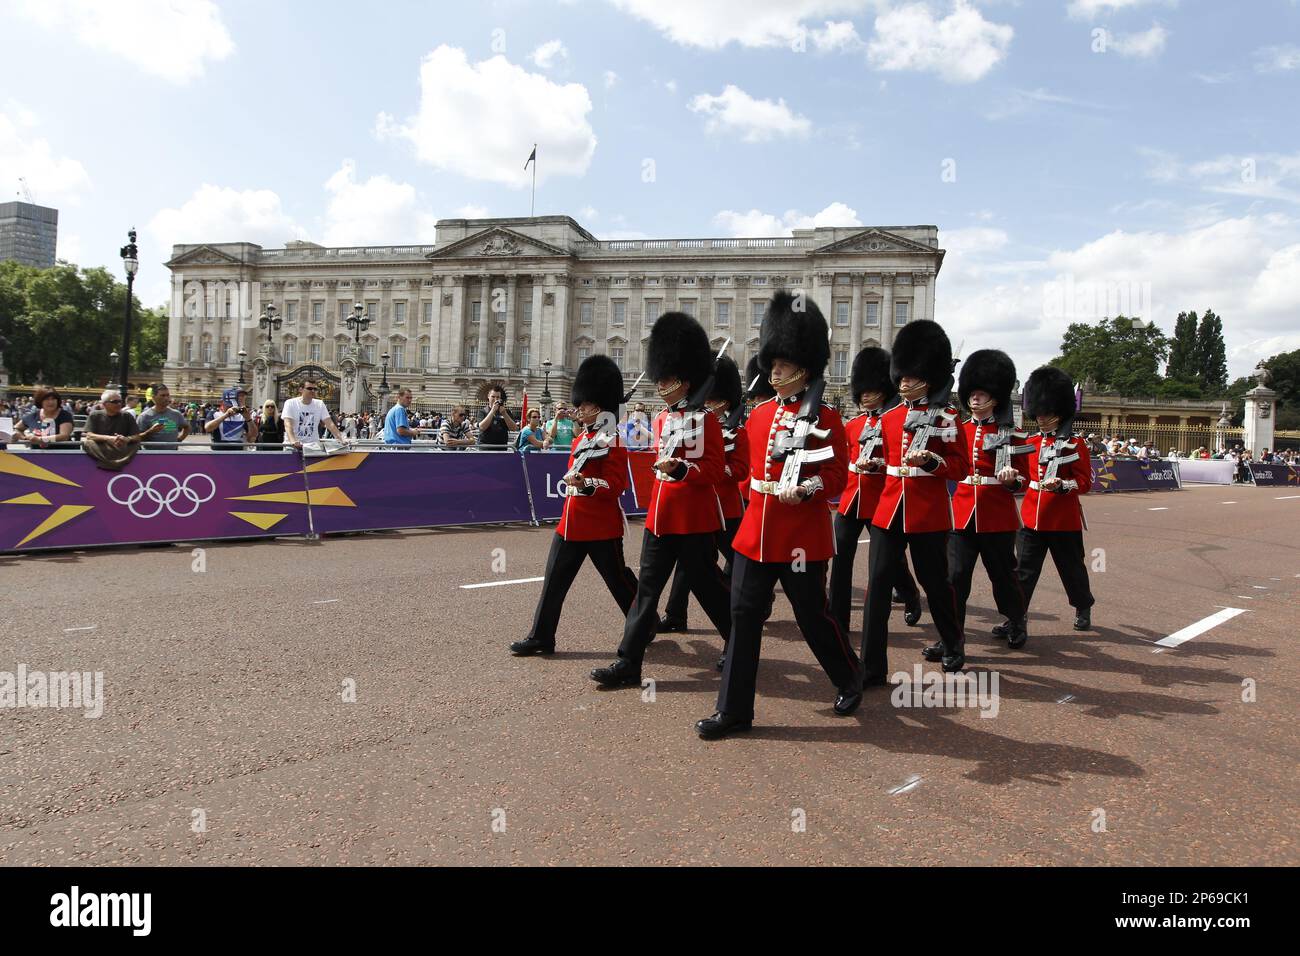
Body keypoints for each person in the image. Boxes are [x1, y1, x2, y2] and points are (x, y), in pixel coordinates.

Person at [695, 292, 861, 740]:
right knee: (743, 616)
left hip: (801, 533)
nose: (774, 373)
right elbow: (748, 471)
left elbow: (836, 477)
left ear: (804, 369)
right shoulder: (760, 414)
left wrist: (807, 489)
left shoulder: (827, 417)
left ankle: (849, 676)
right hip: (756, 531)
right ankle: (733, 711)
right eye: (772, 366)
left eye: (782, 367)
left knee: (812, 616)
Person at [590, 312, 732, 689]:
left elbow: (715, 470)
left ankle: (739, 641)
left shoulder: (708, 422)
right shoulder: (660, 420)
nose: (661, 384)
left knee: (710, 590)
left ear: (685, 382)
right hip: (661, 517)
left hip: (694, 520)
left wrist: (685, 471)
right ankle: (628, 663)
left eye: (667, 379)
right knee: (646, 594)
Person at [859, 319, 969, 688]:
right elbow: (890, 460)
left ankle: (953, 642)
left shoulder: (948, 417)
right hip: (889, 509)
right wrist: (876, 465)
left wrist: (933, 463)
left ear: (930, 376)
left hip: (927, 512)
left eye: (912, 375)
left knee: (935, 583)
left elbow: (960, 466)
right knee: (877, 585)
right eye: (901, 375)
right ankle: (872, 665)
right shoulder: (889, 418)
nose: (903, 381)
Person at [510, 356, 641, 656]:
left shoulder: (613, 441)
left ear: (598, 406)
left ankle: (643, 623)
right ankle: (541, 636)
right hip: (570, 523)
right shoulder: (581, 439)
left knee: (618, 582)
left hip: (600, 526)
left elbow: (617, 485)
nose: (578, 409)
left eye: (583, 404)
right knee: (554, 583)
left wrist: (588, 484)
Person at [828, 347, 923, 637]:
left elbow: (900, 458)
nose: (865, 395)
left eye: (871, 390)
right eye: (862, 391)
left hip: (881, 498)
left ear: (883, 388)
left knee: (890, 560)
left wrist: (879, 465)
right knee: (840, 557)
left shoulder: (894, 421)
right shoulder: (854, 424)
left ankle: (909, 593)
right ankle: (838, 619)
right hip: (851, 499)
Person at [943, 350, 1033, 651]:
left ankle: (1016, 619)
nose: (976, 399)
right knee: (955, 578)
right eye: (973, 394)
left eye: (982, 394)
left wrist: (1011, 481)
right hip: (963, 512)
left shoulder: (1013, 433)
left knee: (1003, 577)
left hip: (996, 514)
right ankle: (952, 636)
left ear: (996, 397)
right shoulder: (957, 430)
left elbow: (1025, 479)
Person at [660, 355, 750, 646]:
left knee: (736, 561)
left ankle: (747, 608)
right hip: (702, 504)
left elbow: (740, 470)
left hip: (727, 506)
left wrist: (718, 469)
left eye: (716, 400)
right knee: (691, 563)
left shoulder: (738, 431)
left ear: (726, 401)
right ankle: (676, 613)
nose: (711, 404)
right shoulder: (693, 423)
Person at [1003, 365, 1096, 634]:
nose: (1042, 418)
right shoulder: (1030, 441)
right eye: (1039, 413)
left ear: (1060, 412)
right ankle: (1016, 618)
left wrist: (1063, 485)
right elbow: (1021, 475)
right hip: (1032, 517)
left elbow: (1085, 483)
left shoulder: (1075, 444)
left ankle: (1083, 605)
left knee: (1072, 571)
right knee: (1023, 573)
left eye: (1048, 413)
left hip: (1063, 520)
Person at [81, 389, 164, 470]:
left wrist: (126, 439)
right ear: (104, 404)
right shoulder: (95, 415)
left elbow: (136, 436)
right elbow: (89, 435)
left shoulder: (126, 416)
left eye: (120, 401)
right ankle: (112, 463)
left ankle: (110, 463)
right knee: (88, 443)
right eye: (115, 402)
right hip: (102, 447)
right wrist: (109, 438)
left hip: (122, 447)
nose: (119, 404)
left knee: (135, 444)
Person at [283, 380, 348, 448]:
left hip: (312, 447)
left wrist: (341, 438)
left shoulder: (319, 404)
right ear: (300, 389)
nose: (313, 391)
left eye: (315, 389)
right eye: (309, 388)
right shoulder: (290, 403)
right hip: (292, 447)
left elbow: (330, 423)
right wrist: (293, 441)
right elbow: (288, 424)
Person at [477, 384, 517, 450]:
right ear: (488, 397)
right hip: (485, 448)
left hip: (502, 448)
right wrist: (492, 411)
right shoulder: (482, 411)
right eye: (493, 397)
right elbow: (482, 427)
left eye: (498, 397)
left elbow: (514, 428)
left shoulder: (506, 411)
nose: (495, 399)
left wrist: (504, 414)